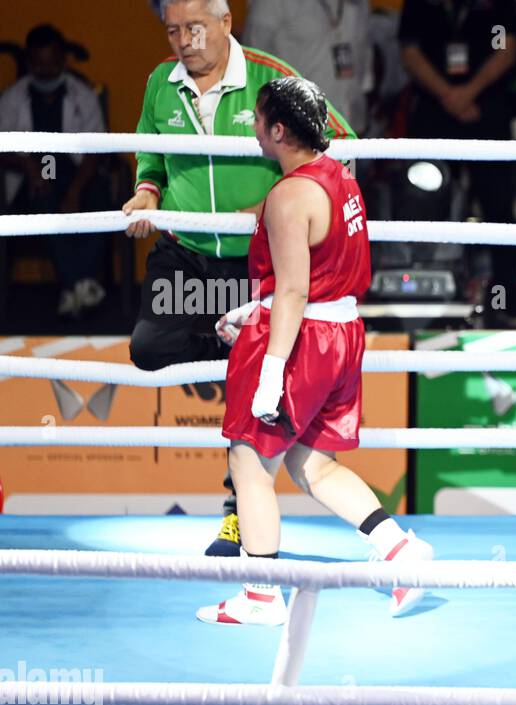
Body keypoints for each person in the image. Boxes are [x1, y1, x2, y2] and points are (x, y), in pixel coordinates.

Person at [197, 77, 433, 626]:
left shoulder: (288, 197)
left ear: (279, 130)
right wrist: (250, 313)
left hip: (302, 338)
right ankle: (399, 550)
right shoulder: (341, 178)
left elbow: (297, 290)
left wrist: (270, 370)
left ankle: (260, 595)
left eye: (258, 120)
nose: (253, 128)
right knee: (311, 463)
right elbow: (316, 278)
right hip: (341, 332)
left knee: (250, 461)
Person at [123, 0, 355, 556]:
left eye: (194, 28)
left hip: (255, 263)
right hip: (185, 252)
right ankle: (233, 347)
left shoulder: (273, 79)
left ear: (226, 22)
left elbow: (339, 149)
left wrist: (277, 203)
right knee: (149, 347)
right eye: (173, 29)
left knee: (247, 408)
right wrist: (147, 191)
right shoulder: (161, 81)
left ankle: (236, 517)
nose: (183, 40)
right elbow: (151, 154)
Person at [399, 0, 516, 313]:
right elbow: (410, 53)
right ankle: (424, 294)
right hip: (432, 116)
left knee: (498, 207)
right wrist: (447, 94)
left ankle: (505, 299)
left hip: (486, 112)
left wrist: (468, 92)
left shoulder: (496, 7)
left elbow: (507, 49)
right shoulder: (422, 6)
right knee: (425, 201)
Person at [0, 25, 109, 319]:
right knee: (46, 199)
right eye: (39, 64)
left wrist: (74, 193)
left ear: (62, 60)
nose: (45, 71)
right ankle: (81, 285)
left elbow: (98, 149)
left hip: (75, 174)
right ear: (29, 62)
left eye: (51, 63)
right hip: (38, 172)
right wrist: (27, 165)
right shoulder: (13, 98)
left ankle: (75, 288)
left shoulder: (81, 94)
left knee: (101, 198)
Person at [242, 0, 373, 135]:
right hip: (295, 130)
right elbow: (252, 63)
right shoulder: (272, 3)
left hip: (351, 125)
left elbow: (365, 53)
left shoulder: (360, 3)